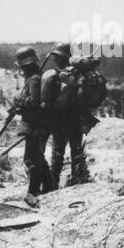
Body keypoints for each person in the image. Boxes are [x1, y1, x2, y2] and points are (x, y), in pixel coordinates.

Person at [42, 43, 90, 188]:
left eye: (56, 57)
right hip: (76, 119)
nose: (55, 60)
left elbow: (51, 101)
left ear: (60, 57)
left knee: (58, 152)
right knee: (76, 150)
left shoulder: (59, 76)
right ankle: (78, 180)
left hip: (60, 119)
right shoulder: (79, 75)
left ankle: (53, 183)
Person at [14, 46, 52, 196]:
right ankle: (49, 187)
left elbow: (34, 102)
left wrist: (20, 103)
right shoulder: (35, 77)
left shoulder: (34, 80)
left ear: (24, 66)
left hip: (35, 125)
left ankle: (33, 191)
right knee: (38, 158)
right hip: (38, 125)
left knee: (31, 160)